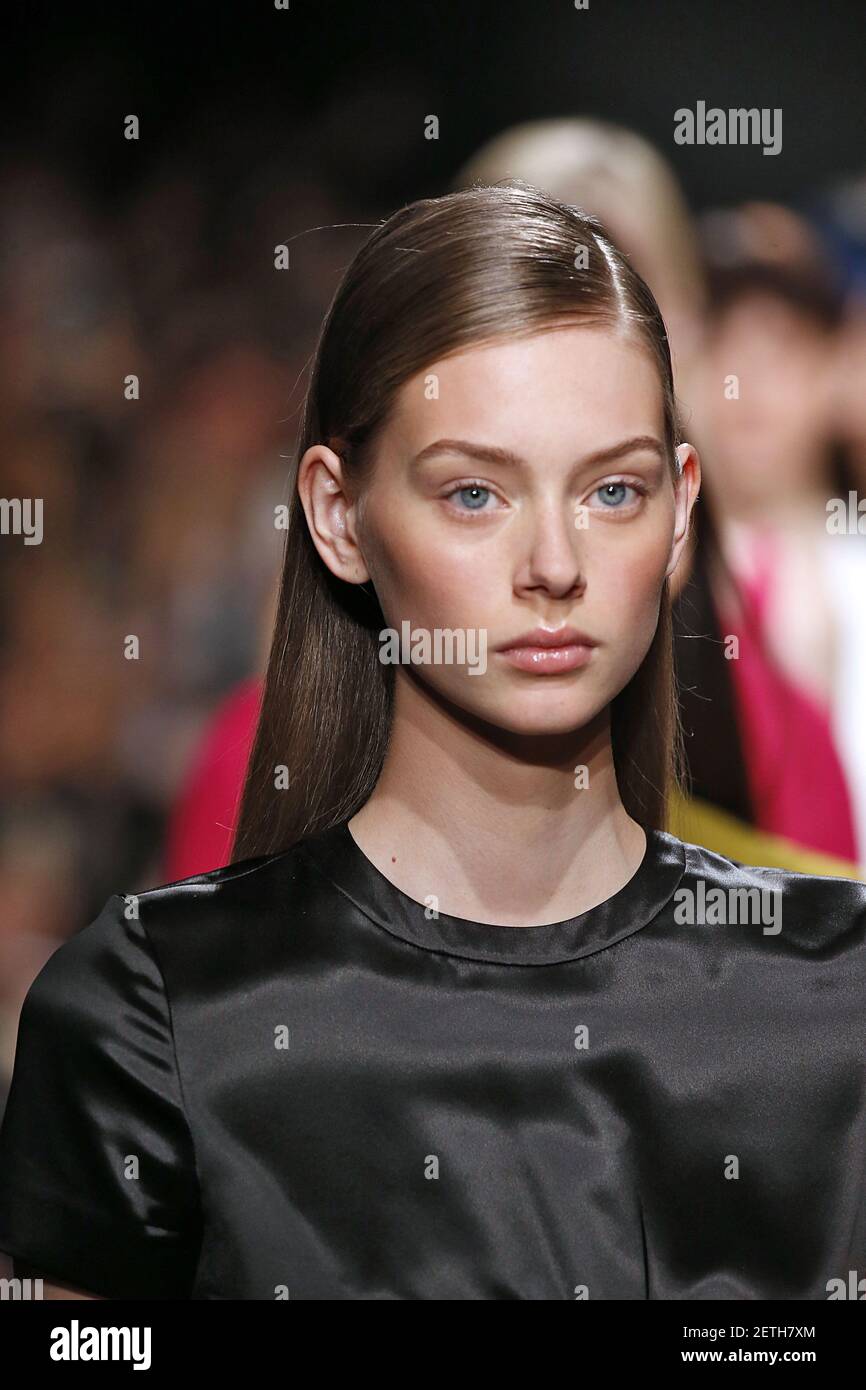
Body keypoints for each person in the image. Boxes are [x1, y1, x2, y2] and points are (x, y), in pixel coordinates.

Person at [0, 181, 864, 1300]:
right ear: (336, 513)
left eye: (612, 489)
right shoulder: (150, 1018)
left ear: (680, 512)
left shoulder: (831, 998)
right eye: (472, 493)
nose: (553, 563)